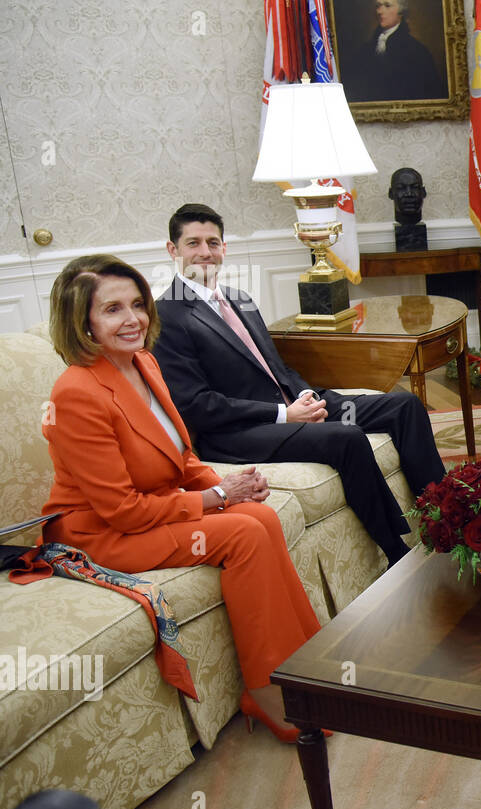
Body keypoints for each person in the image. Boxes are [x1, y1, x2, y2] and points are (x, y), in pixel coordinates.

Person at [40, 255, 321, 742]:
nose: (133, 319)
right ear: (82, 322)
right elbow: (122, 511)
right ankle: (267, 690)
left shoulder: (144, 363)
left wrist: (229, 488)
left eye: (137, 304)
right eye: (112, 309)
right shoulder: (76, 393)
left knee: (259, 515)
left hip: (153, 507)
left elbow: (182, 456)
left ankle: (307, 670)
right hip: (101, 534)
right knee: (242, 533)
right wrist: (217, 497)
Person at [152, 203, 444, 568]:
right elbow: (196, 404)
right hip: (241, 431)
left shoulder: (239, 299)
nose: (205, 252)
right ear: (173, 250)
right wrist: (284, 414)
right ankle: (395, 551)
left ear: (224, 248)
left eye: (213, 242)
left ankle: (443, 515)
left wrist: (305, 394)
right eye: (193, 243)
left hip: (293, 404)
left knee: (404, 406)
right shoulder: (166, 316)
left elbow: (275, 366)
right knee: (346, 436)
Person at [345, 0, 446, 103]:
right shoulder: (365, 50)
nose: (379, 11)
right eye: (378, 6)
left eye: (387, 6)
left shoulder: (417, 51)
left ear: (401, 12)